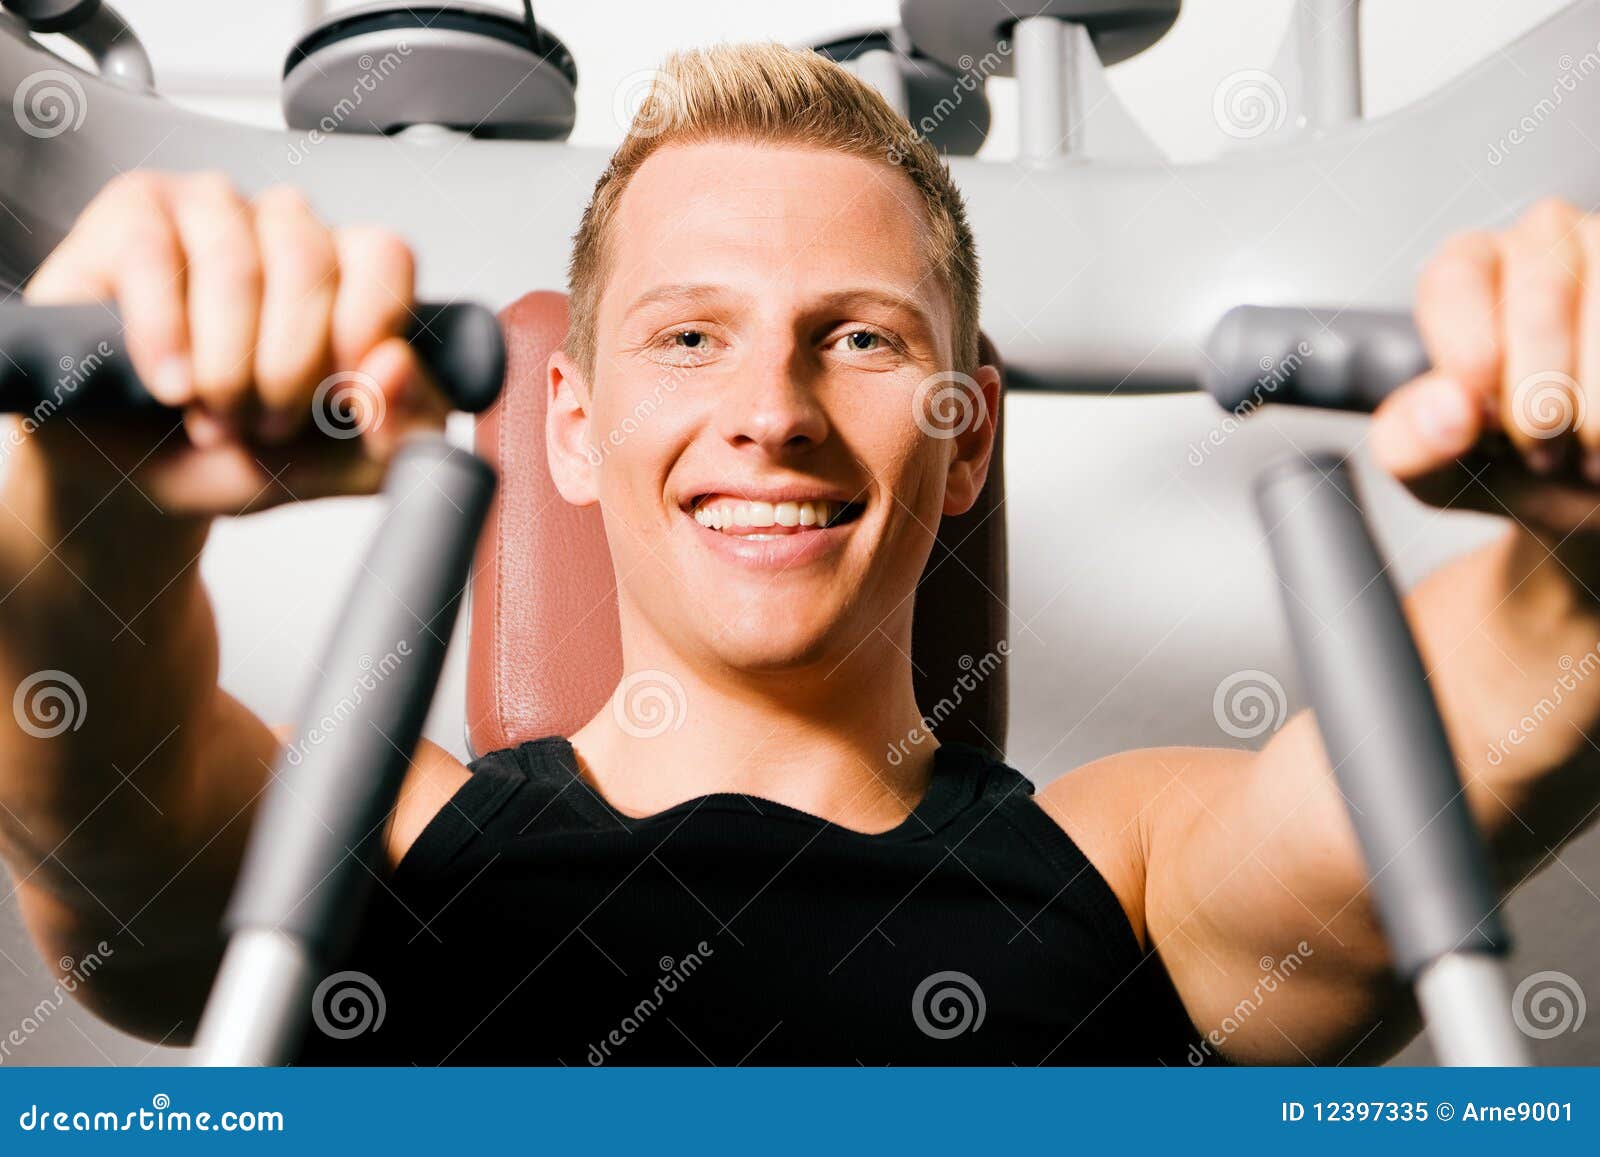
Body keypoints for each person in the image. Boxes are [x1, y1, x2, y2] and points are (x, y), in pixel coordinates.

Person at [1, 42, 1597, 1066]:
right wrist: (96, 501)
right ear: (570, 426)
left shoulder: (1133, 864)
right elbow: (106, 797)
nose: (771, 411)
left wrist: (1583, 537)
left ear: (966, 438)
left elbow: (1472, 740)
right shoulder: (380, 832)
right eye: (691, 335)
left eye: (859, 338)